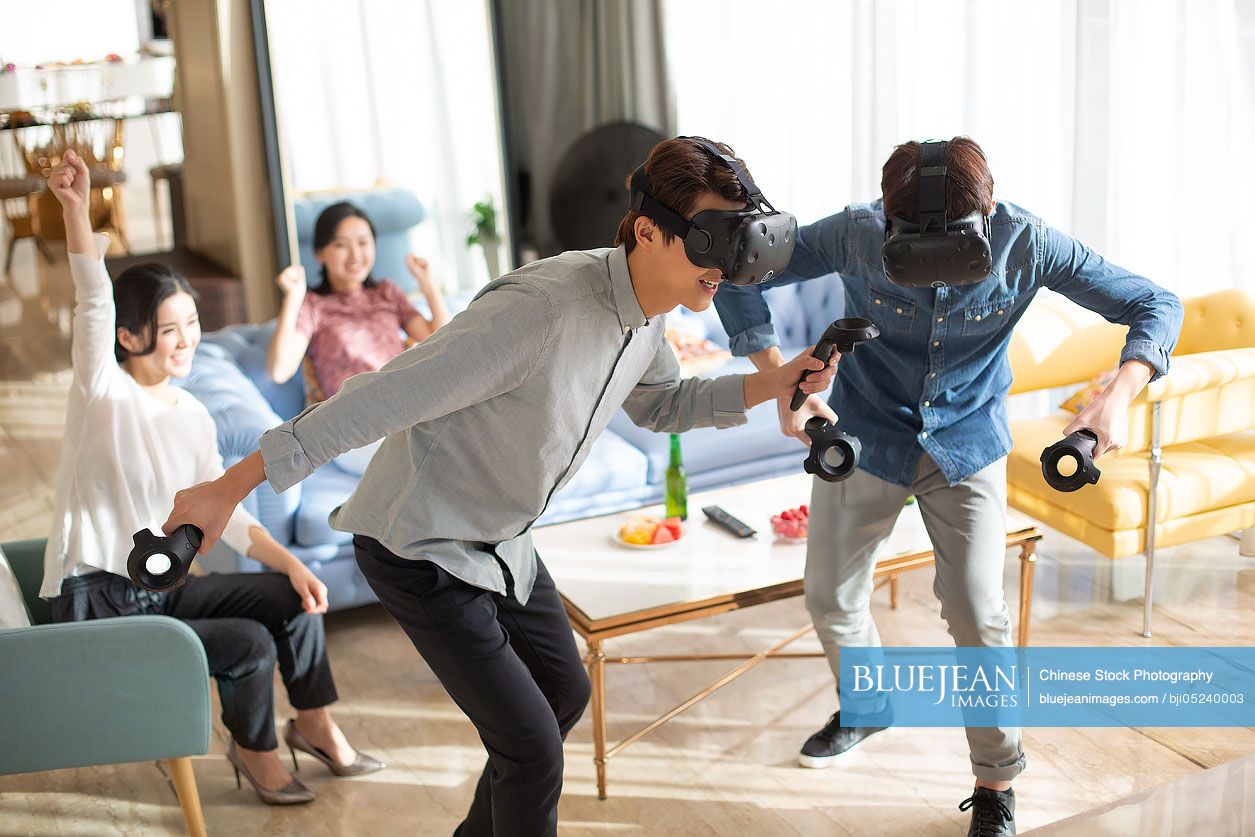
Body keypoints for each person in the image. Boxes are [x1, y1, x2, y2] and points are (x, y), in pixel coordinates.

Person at [161, 136, 838, 836]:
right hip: (419, 543)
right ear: (648, 230)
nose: (725, 266)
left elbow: (661, 403)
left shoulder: (649, 311)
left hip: (501, 539)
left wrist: (773, 382)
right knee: (533, 749)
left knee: (561, 694)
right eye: (713, 242)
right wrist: (230, 485)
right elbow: (383, 396)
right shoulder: (540, 308)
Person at [713, 136, 1184, 837]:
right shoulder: (853, 231)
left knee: (974, 608)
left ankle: (995, 780)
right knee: (829, 594)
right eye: (912, 243)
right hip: (867, 434)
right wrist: (779, 375)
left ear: (987, 210)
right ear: (886, 216)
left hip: (967, 441)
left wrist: (1120, 390)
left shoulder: (1028, 242)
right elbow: (736, 268)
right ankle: (867, 704)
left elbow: (1155, 302)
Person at [39, 150, 384, 806]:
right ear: (129, 334)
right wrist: (77, 209)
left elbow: (226, 511)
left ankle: (313, 722)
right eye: (169, 329)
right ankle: (254, 750)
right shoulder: (101, 394)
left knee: (291, 592)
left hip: (163, 590)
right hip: (100, 597)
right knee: (248, 641)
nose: (185, 340)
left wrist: (291, 562)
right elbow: (90, 295)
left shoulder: (192, 412)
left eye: (191, 325)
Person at [266, 201, 452, 474]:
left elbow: (443, 343)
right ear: (320, 252)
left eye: (364, 243)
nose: (355, 255)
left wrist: (429, 285)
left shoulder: (387, 293)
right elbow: (279, 369)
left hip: (405, 409)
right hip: (353, 427)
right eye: (341, 245)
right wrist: (293, 297)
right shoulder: (314, 306)